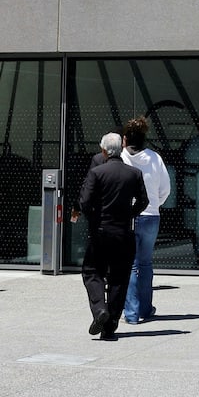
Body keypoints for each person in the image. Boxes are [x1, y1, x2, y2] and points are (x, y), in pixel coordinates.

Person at [78, 132, 147, 340]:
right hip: (124, 232)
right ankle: (110, 326)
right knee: (119, 278)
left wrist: (94, 218)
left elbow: (84, 202)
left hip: (101, 231)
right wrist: (129, 214)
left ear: (104, 151)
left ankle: (100, 308)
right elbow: (143, 201)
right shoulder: (134, 173)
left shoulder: (97, 172)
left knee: (92, 271)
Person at [119, 116, 171, 325]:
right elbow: (165, 188)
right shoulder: (155, 158)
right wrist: (155, 204)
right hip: (151, 215)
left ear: (125, 139)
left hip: (127, 216)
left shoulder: (121, 157)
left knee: (129, 265)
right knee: (146, 263)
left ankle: (130, 313)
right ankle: (146, 308)